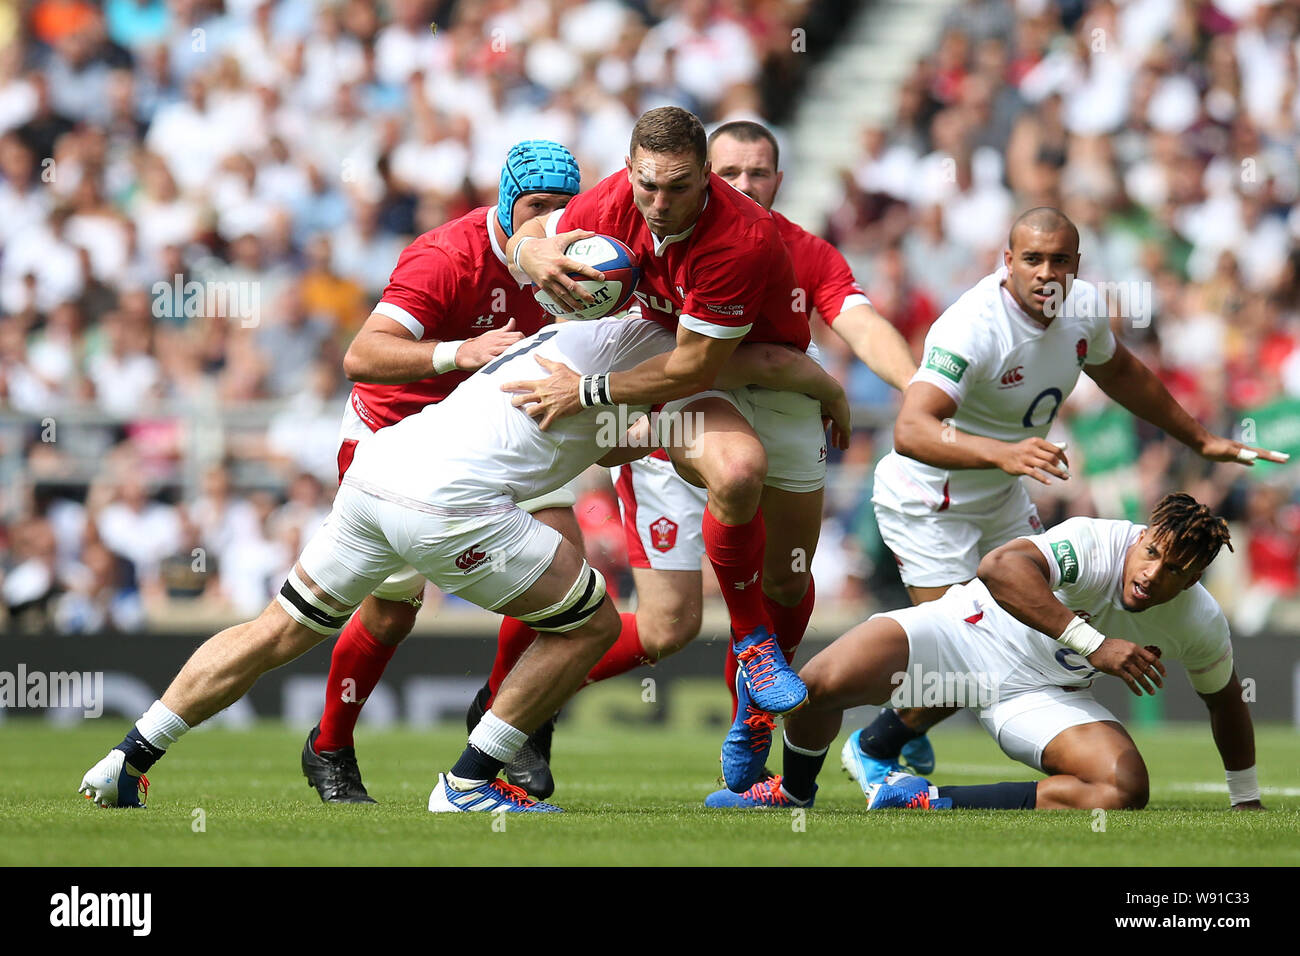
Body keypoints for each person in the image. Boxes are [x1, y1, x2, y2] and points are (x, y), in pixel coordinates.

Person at [842, 206, 1287, 786]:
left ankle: (903, 733)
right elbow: (912, 430)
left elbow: (1122, 372)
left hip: (1001, 494)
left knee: (1021, 629)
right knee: (969, 647)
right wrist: (1000, 452)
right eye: (1032, 259)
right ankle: (875, 745)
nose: (1046, 272)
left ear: (1077, 265)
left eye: (1059, 260)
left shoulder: (1082, 310)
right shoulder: (971, 326)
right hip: (930, 501)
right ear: (1008, 263)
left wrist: (1198, 437)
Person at [501, 106, 838, 792]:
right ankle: (512, 706)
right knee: (670, 620)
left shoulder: (745, 237)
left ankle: (751, 712)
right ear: (629, 172)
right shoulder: (613, 201)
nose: (657, 204)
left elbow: (701, 366)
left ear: (708, 180)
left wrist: (840, 389)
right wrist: (529, 249)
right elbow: (535, 234)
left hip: (728, 382)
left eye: (677, 188)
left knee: (789, 579)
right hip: (668, 382)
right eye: (646, 186)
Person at [301, 140, 583, 804]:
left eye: (562, 209)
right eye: (536, 207)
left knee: (566, 561)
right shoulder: (446, 255)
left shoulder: (580, 257)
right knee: (392, 613)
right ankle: (330, 745)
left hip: (498, 430)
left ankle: (507, 714)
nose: (548, 222)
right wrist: (461, 353)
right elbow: (361, 356)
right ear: (508, 204)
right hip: (395, 435)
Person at [706, 494, 1265, 813]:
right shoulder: (1099, 541)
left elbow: (1226, 701)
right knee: (818, 683)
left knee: (1123, 788)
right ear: (1142, 536)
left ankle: (924, 800)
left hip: (1046, 694)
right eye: (1152, 554)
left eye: (1174, 572)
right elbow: (999, 569)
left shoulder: (1199, 618)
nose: (1151, 575)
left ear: (1194, 580)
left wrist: (1245, 799)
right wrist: (1094, 644)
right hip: (965, 633)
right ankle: (793, 792)